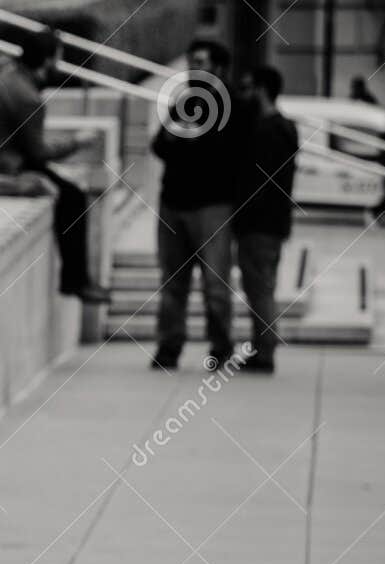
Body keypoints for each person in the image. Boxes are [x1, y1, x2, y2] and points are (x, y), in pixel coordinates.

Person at [0, 27, 110, 303]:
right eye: (58, 57)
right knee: (73, 198)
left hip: (1, 159)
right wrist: (77, 141)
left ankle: (78, 281)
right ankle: (76, 282)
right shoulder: (27, 97)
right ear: (47, 60)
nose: (59, 64)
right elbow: (39, 152)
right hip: (0, 168)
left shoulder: (10, 76)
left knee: (69, 190)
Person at [151, 38, 240, 372]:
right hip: (174, 203)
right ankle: (169, 346)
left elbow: (220, 154)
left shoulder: (231, 104)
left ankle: (221, 346)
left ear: (217, 67)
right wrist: (183, 139)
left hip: (212, 206)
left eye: (199, 62)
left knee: (216, 284)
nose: (192, 68)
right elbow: (160, 145)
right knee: (172, 281)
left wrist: (185, 140)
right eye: (190, 61)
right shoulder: (185, 100)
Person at [234, 66, 299, 373]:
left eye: (249, 88)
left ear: (261, 90)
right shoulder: (286, 127)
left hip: (259, 224)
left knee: (259, 289)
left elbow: (256, 182)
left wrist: (242, 216)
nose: (245, 94)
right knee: (264, 287)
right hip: (275, 222)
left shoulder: (266, 130)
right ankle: (263, 348)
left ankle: (265, 351)